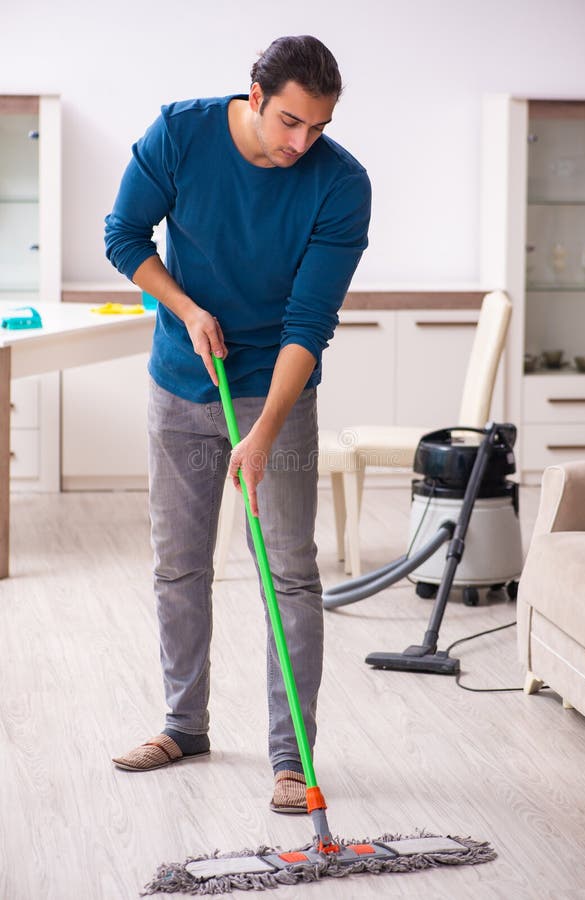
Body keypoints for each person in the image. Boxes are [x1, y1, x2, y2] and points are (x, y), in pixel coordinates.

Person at [105, 34, 371, 813]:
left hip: (277, 396)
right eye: (289, 121)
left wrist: (263, 435)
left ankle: (292, 760)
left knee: (288, 573)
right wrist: (183, 308)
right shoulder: (179, 134)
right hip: (183, 384)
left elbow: (308, 321)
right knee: (177, 565)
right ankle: (182, 726)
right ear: (254, 94)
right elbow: (124, 237)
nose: (301, 143)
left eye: (316, 127)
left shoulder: (341, 184)